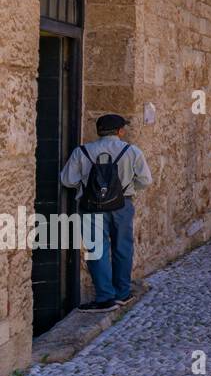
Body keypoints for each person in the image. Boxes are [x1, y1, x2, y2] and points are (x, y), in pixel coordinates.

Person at [59, 114, 155, 310]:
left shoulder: (82, 151)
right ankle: (123, 293)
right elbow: (146, 180)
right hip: (122, 205)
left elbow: (67, 180)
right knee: (123, 248)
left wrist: (87, 187)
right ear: (120, 131)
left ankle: (105, 297)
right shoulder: (131, 151)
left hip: (91, 206)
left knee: (96, 251)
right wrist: (126, 189)